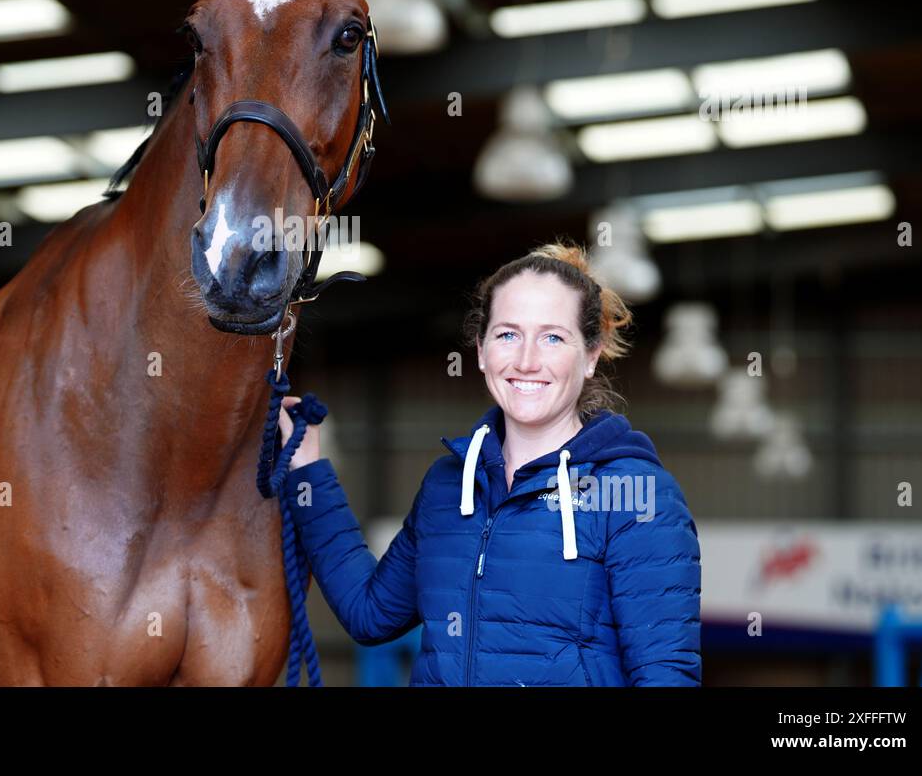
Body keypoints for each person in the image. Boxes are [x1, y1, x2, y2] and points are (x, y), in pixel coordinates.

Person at [280, 241, 702, 686]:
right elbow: (369, 614)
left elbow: (665, 678)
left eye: (553, 337)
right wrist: (309, 470)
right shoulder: (448, 488)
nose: (526, 360)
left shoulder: (637, 495)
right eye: (508, 334)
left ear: (591, 355)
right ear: (481, 350)